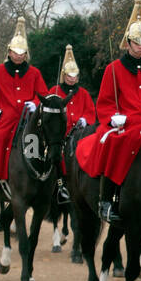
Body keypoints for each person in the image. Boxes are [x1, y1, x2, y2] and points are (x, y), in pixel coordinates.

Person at [75, 0, 141, 222]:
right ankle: (107, 200)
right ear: (128, 43)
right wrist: (113, 118)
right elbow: (105, 101)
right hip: (126, 124)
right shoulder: (113, 69)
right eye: (137, 42)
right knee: (114, 143)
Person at [0, 18, 48, 207]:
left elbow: (43, 96)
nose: (18, 56)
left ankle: (51, 185)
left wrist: (35, 103)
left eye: (22, 53)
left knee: (43, 146)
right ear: (9, 52)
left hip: (28, 121)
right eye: (15, 52)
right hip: (4, 120)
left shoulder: (35, 73)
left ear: (26, 54)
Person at [49, 43, 96, 206]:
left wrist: (85, 119)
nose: (72, 78)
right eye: (69, 75)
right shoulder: (55, 90)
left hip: (78, 132)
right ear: (64, 75)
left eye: (75, 75)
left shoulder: (83, 93)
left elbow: (91, 111)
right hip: (59, 133)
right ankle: (58, 184)